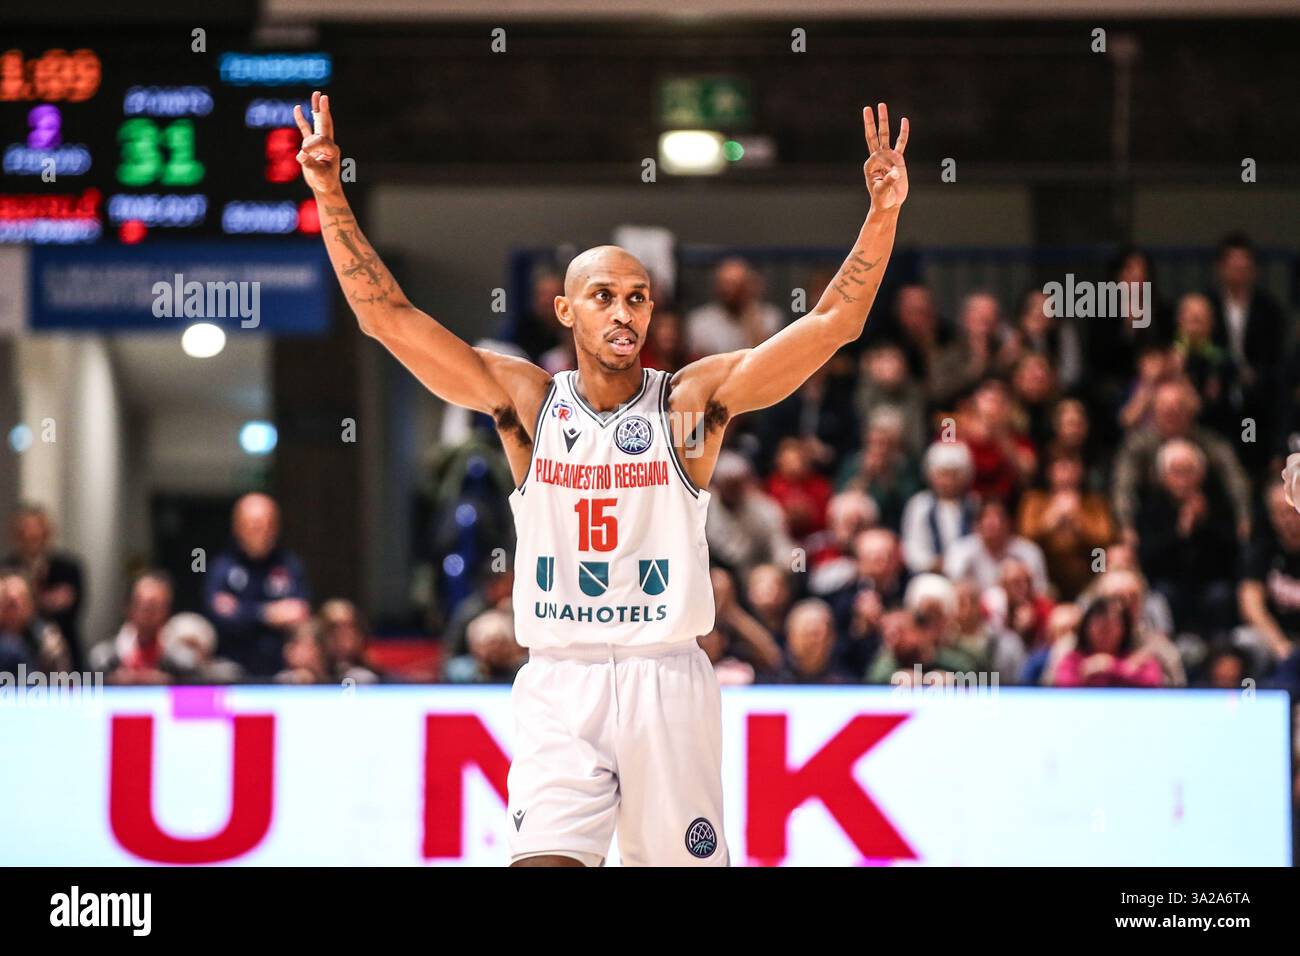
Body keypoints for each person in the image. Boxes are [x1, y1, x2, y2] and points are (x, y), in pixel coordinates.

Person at [295, 92, 911, 866]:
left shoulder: (689, 403)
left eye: (639, 297)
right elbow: (388, 317)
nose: (625, 312)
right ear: (566, 311)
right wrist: (329, 195)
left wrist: (882, 213)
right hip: (560, 681)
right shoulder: (525, 403)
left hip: (667, 678)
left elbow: (831, 326)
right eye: (604, 296)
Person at [204, 492, 312, 679]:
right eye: (253, 525)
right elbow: (221, 616)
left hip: (282, 664)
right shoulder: (222, 566)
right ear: (238, 527)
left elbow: (299, 612)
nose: (261, 531)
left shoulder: (289, 564)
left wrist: (243, 611)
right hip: (230, 663)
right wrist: (268, 614)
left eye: (268, 524)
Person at [6, 505, 85, 670]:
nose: (30, 535)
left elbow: (73, 610)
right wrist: (47, 601)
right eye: (25, 531)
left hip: (62, 647)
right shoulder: (6, 568)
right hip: (13, 647)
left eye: (36, 531)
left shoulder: (68, 568)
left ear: (47, 533)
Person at [1052, 597, 1162, 688]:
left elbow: (1152, 681)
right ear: (1086, 628)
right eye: (1099, 626)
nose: (1105, 632)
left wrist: (1112, 666)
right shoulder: (1073, 660)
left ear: (1125, 628)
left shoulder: (1140, 660)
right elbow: (1064, 687)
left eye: (1112, 626)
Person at [90, 571, 174, 685]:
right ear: (129, 608)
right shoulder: (103, 658)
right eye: (146, 607)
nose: (150, 615)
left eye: (157, 608)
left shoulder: (181, 662)